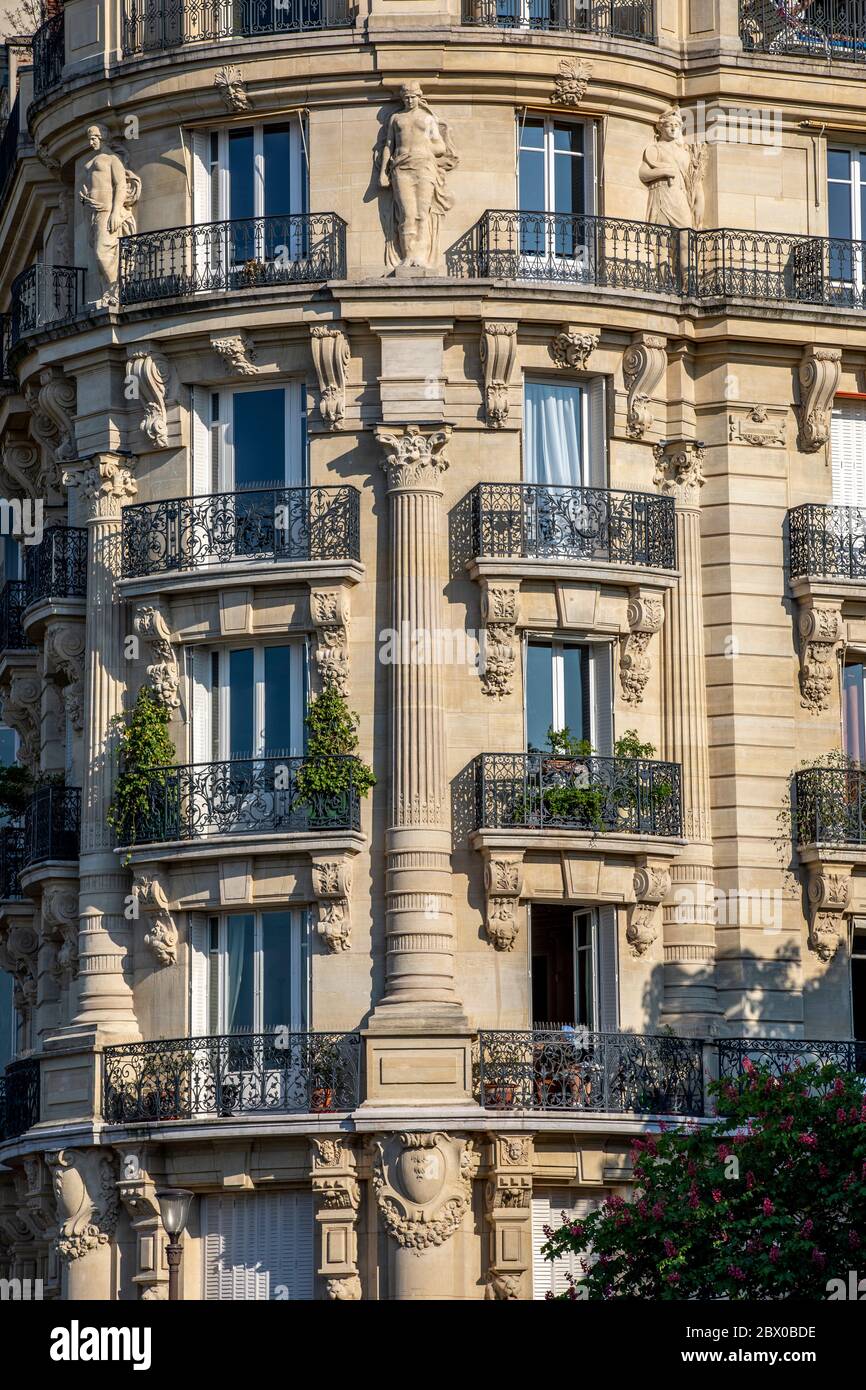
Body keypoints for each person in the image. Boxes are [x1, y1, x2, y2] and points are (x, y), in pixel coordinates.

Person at [378, 82, 458, 271]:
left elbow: (440, 147)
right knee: (407, 214)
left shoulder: (427, 119)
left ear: (419, 97)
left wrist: (423, 148)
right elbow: (388, 146)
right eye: (406, 97)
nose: (409, 100)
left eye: (413, 97)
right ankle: (408, 256)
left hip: (424, 167)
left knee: (422, 214)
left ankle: (420, 257)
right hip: (401, 168)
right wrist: (382, 173)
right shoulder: (396, 118)